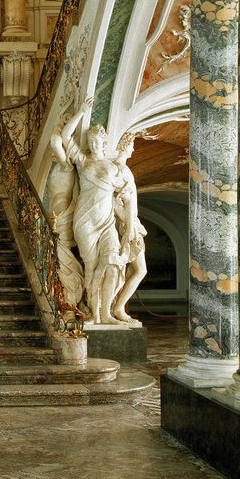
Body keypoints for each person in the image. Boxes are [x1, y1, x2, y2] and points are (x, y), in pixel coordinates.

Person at [67, 106, 125, 326]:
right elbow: (63, 137)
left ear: (104, 143)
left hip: (107, 221)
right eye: (90, 143)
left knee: (112, 264)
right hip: (85, 221)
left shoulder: (114, 167)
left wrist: (130, 222)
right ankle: (95, 314)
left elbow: (126, 194)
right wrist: (80, 112)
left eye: (97, 142)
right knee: (90, 268)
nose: (93, 146)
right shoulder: (84, 162)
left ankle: (107, 312)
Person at [44, 98, 91, 311]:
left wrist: (77, 113)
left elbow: (56, 141)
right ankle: (68, 299)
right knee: (62, 260)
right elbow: (58, 141)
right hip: (57, 217)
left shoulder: (65, 167)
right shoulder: (61, 166)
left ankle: (69, 299)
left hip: (61, 218)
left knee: (63, 260)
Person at [111, 133, 147, 323]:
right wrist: (131, 226)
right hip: (127, 225)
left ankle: (116, 307)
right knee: (139, 270)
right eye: (131, 145)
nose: (133, 149)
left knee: (129, 270)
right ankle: (117, 308)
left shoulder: (122, 170)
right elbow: (118, 204)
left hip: (129, 223)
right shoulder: (120, 170)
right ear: (123, 146)